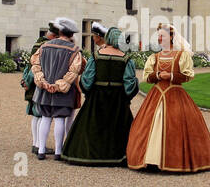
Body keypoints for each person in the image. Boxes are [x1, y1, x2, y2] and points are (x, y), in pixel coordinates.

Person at [126, 23, 210, 173]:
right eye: (159, 36)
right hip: (157, 93)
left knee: (177, 124)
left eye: (163, 36)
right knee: (147, 125)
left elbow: (188, 75)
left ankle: (173, 160)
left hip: (175, 93)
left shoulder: (181, 55)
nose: (160, 38)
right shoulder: (154, 57)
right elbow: (147, 77)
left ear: (172, 37)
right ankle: (150, 159)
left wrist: (172, 76)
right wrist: (158, 75)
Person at [61, 26, 138, 165]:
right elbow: (129, 84)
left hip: (97, 97)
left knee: (92, 126)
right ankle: (117, 156)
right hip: (117, 98)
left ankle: (92, 155)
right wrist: (127, 97)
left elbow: (87, 79)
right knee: (118, 127)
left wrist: (88, 92)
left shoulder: (96, 56)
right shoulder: (126, 59)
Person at [31, 17, 84, 160]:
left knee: (45, 118)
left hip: (44, 90)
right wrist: (59, 85)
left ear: (59, 31)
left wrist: (43, 82)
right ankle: (58, 152)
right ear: (72, 34)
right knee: (60, 119)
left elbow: (35, 65)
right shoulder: (75, 50)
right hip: (63, 92)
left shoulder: (44, 46)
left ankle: (41, 150)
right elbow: (75, 71)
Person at [22, 23, 57, 154]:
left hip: (33, 81)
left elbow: (29, 65)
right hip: (39, 81)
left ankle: (35, 143)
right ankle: (38, 145)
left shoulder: (37, 43)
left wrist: (26, 80)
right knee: (41, 114)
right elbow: (35, 66)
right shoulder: (45, 46)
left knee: (36, 115)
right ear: (53, 35)